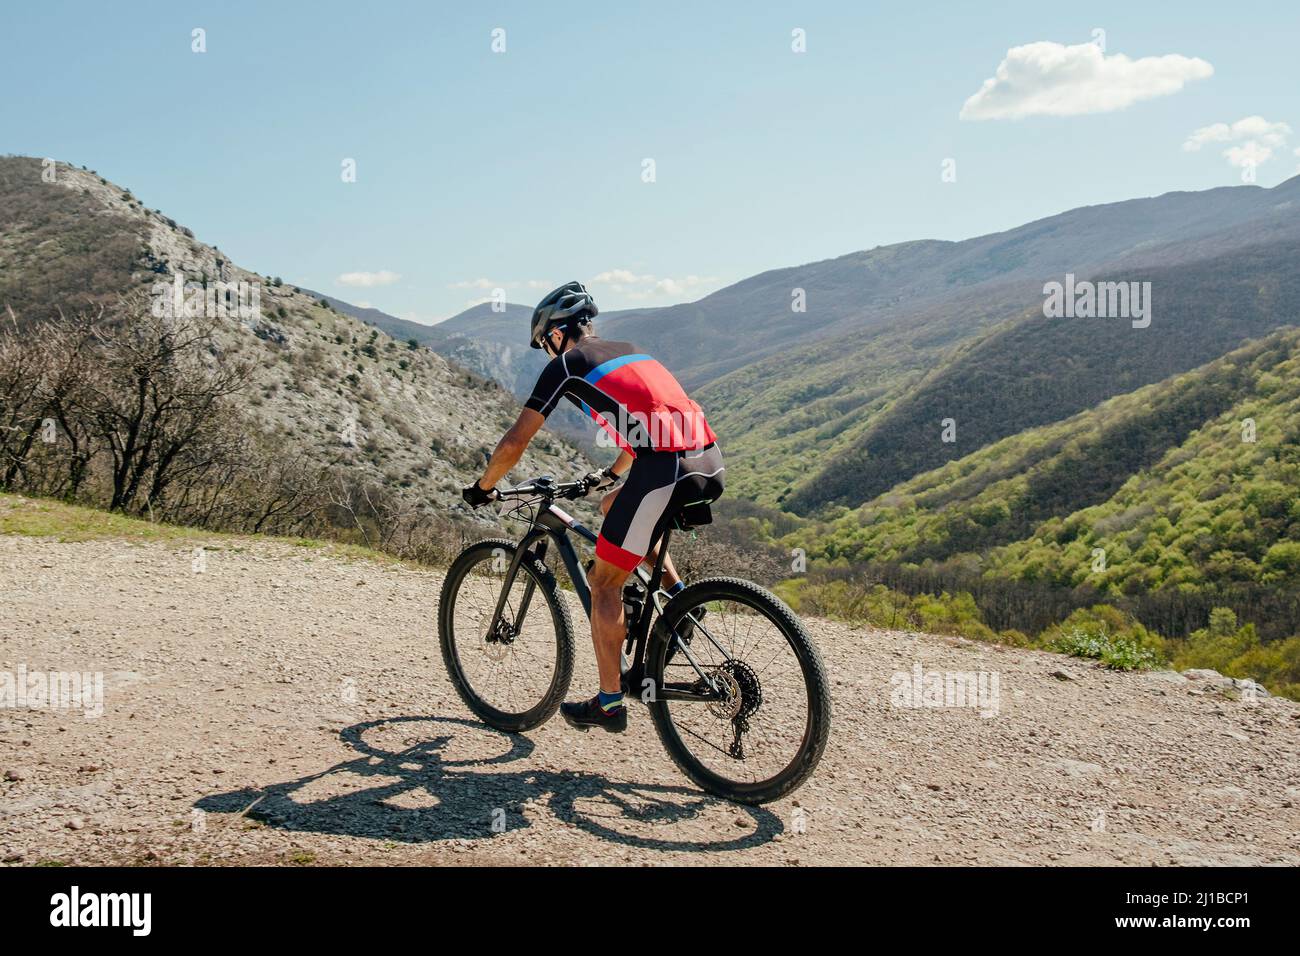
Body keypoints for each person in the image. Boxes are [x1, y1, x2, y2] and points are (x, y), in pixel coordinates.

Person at [462, 281, 724, 733]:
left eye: (545, 343)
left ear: (556, 335)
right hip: (706, 459)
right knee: (612, 504)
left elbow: (516, 440)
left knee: (604, 586)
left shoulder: (567, 365)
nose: (547, 351)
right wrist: (611, 475)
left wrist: (484, 486)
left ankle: (608, 702)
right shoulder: (631, 350)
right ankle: (681, 601)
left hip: (664, 469)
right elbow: (646, 418)